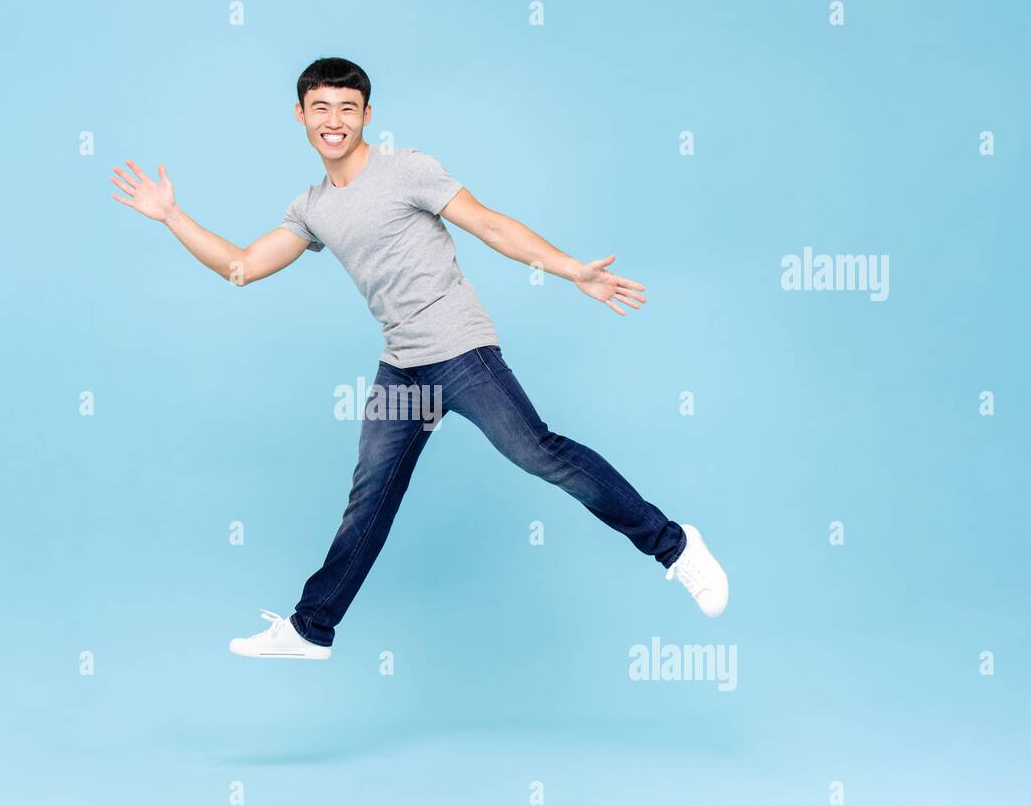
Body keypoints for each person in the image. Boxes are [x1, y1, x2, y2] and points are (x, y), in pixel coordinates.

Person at [110, 57, 728, 661]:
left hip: (459, 348)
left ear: (366, 115)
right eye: (320, 108)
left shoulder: (407, 170)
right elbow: (241, 268)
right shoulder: (311, 208)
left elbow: (489, 224)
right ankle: (310, 628)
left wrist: (570, 271)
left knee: (536, 451)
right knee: (370, 495)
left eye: (347, 109)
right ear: (300, 116)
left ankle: (674, 546)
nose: (334, 120)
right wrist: (170, 216)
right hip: (402, 365)